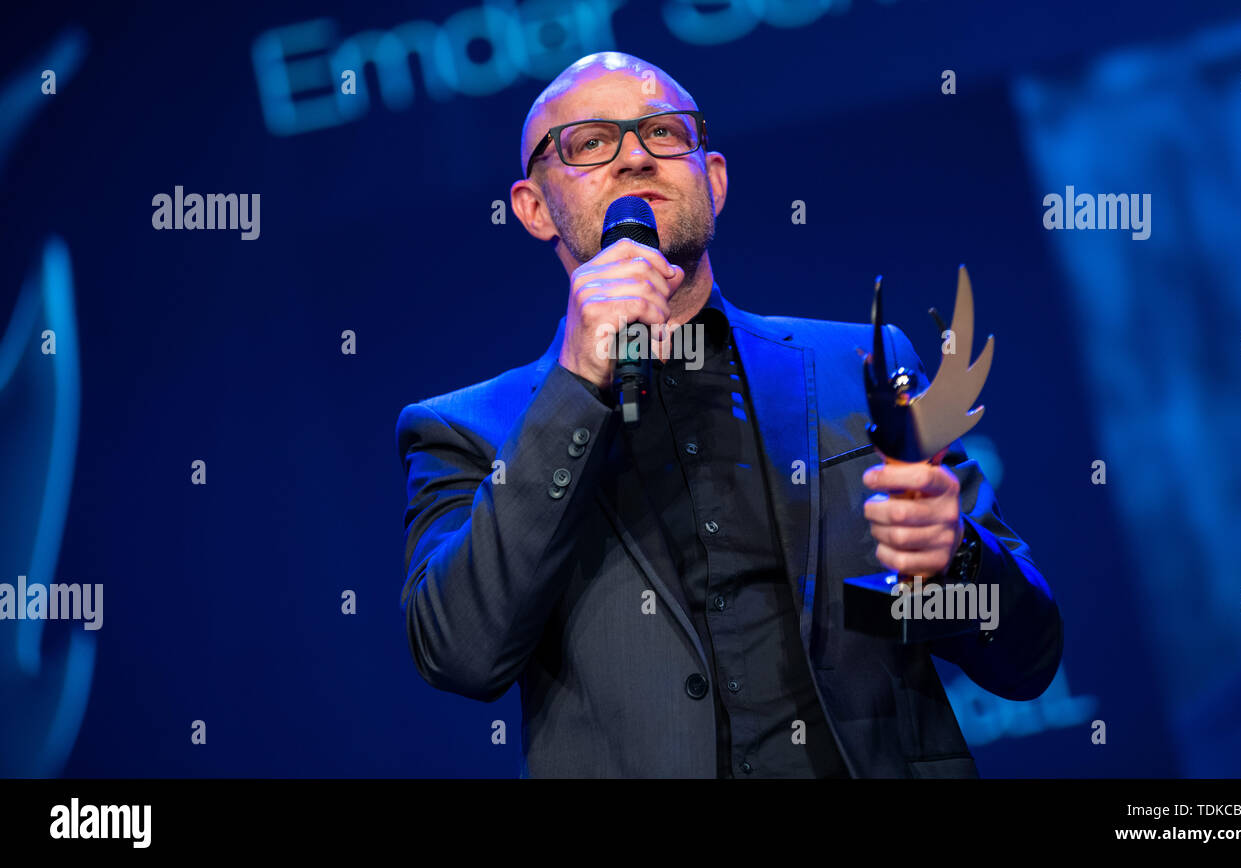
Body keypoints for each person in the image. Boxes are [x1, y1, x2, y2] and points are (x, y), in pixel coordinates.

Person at [396, 51, 1063, 778]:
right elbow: (462, 653)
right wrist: (579, 380)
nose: (633, 159)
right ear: (531, 207)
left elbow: (1026, 660)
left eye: (663, 133)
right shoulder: (465, 429)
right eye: (590, 143)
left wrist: (956, 554)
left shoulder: (857, 367)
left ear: (712, 178)